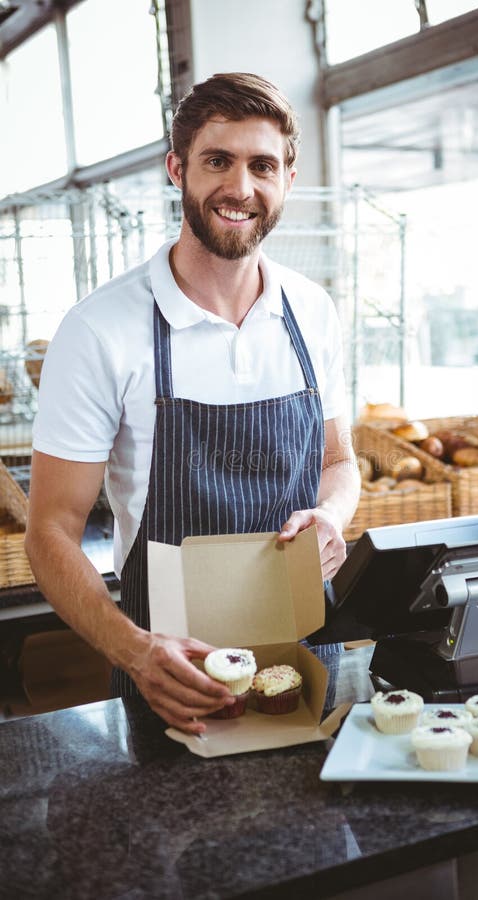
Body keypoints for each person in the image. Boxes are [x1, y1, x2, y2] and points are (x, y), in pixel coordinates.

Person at [25, 72, 360, 735]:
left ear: (288, 178)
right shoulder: (100, 330)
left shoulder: (312, 313)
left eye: (262, 165)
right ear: (179, 169)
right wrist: (135, 651)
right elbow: (50, 530)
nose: (241, 187)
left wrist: (332, 514)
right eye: (218, 161)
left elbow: (340, 461)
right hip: (166, 675)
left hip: (307, 658)